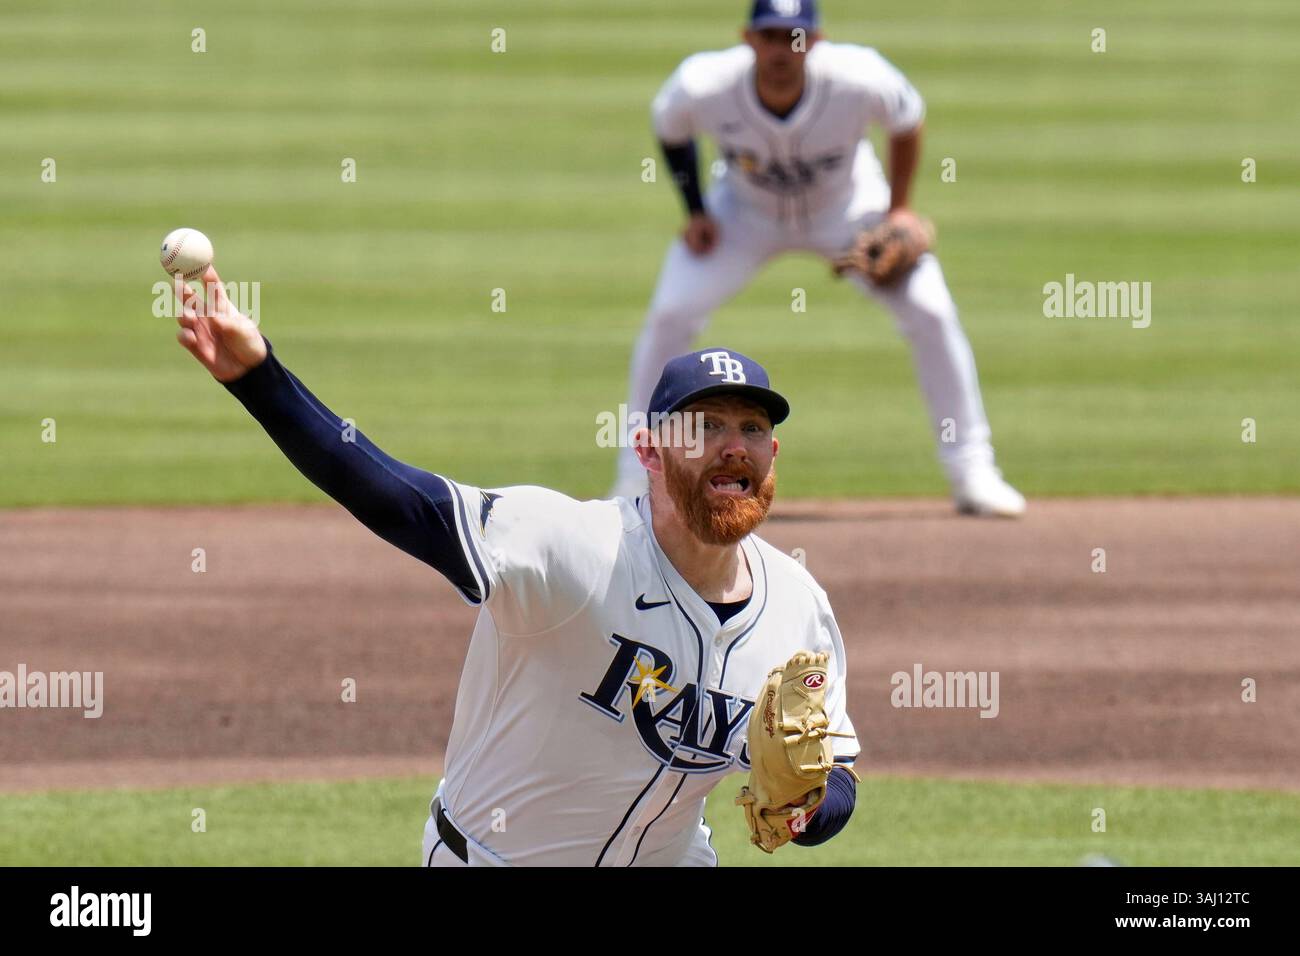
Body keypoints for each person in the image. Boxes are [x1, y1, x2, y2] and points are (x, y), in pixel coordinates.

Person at [172, 268, 859, 866]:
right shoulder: (572, 547)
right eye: (705, 428)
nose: (733, 447)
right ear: (649, 452)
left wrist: (807, 807)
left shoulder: (797, 607)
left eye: (752, 430)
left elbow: (839, 773)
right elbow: (406, 504)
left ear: (773, 456)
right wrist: (260, 381)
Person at [612, 0, 1025, 517]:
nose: (782, 48)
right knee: (670, 314)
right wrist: (695, 210)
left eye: (794, 36)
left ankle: (973, 470)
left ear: (817, 40)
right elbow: (670, 126)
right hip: (744, 215)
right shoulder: (703, 85)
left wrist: (898, 210)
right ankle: (635, 476)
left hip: (849, 213)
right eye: (770, 36)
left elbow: (907, 117)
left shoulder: (858, 77)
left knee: (931, 311)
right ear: (748, 39)